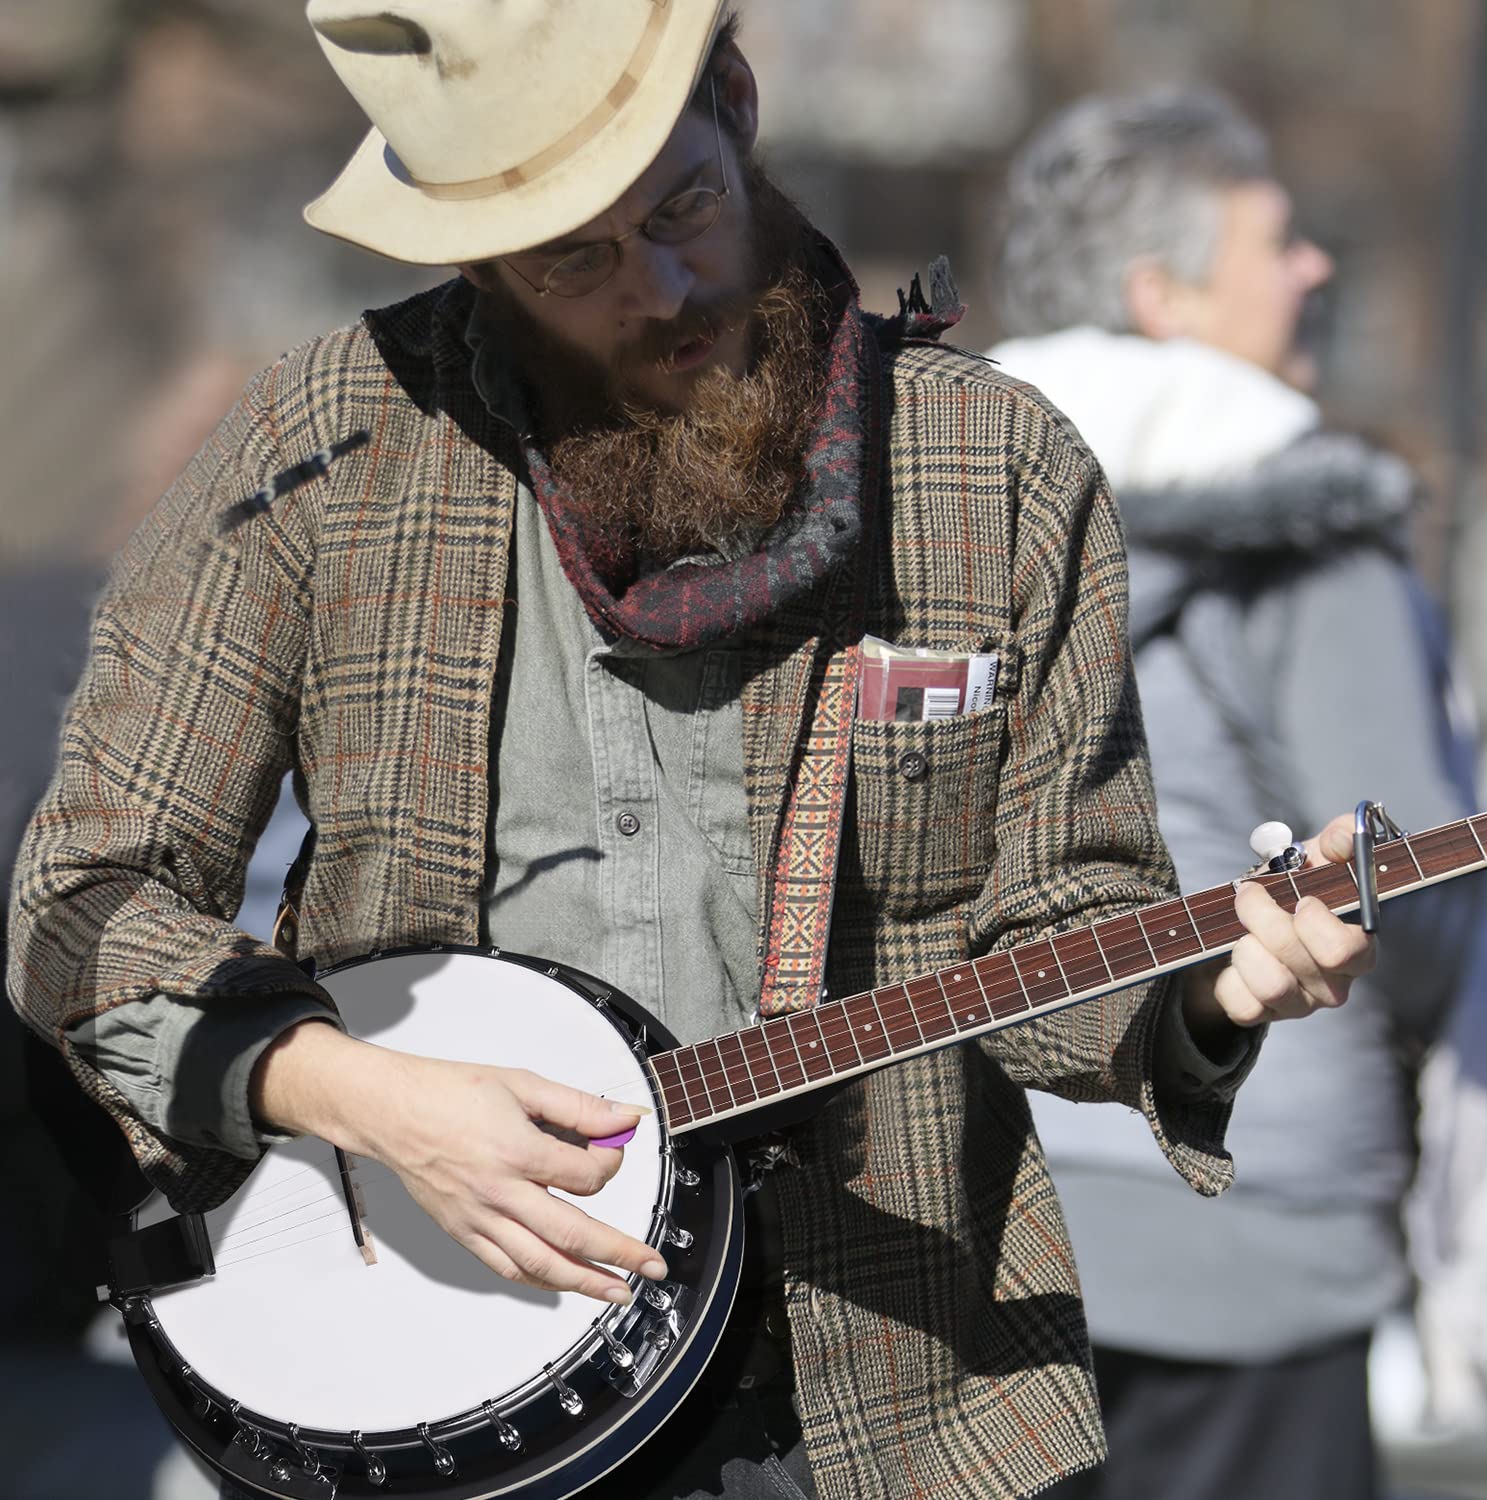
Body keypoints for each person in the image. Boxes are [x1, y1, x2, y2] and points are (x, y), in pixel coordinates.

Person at [8, 11, 1375, 1499]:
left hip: (902, 1409)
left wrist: (1214, 985)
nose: (659, 290)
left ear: (736, 103)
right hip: (425, 1391)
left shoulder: (995, 469)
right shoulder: (323, 450)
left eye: (684, 210)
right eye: (571, 262)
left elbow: (1061, 933)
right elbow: (82, 901)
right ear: (479, 260)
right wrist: (348, 1092)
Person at [989, 88, 1478, 1500]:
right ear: (1164, 293)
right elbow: (1422, 888)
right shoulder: (1310, 528)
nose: (1317, 267)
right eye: (1278, 243)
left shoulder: (951, 515)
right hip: (1255, 1241)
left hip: (982, 1223)